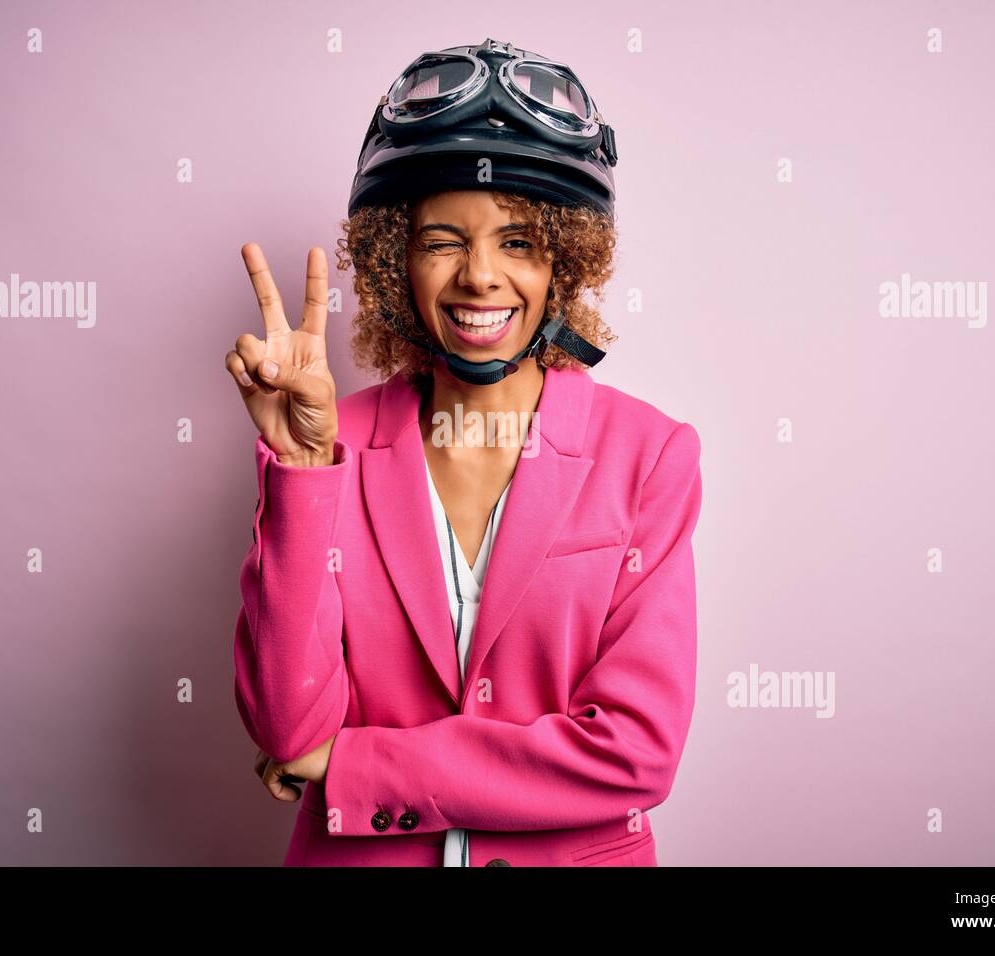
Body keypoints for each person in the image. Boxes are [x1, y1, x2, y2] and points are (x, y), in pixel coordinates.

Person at [228, 38, 702, 866]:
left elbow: (635, 751)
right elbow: (287, 727)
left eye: (518, 241)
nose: (481, 276)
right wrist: (302, 470)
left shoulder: (651, 456)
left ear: (566, 259)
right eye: (443, 240)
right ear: (395, 262)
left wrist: (359, 767)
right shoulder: (336, 443)